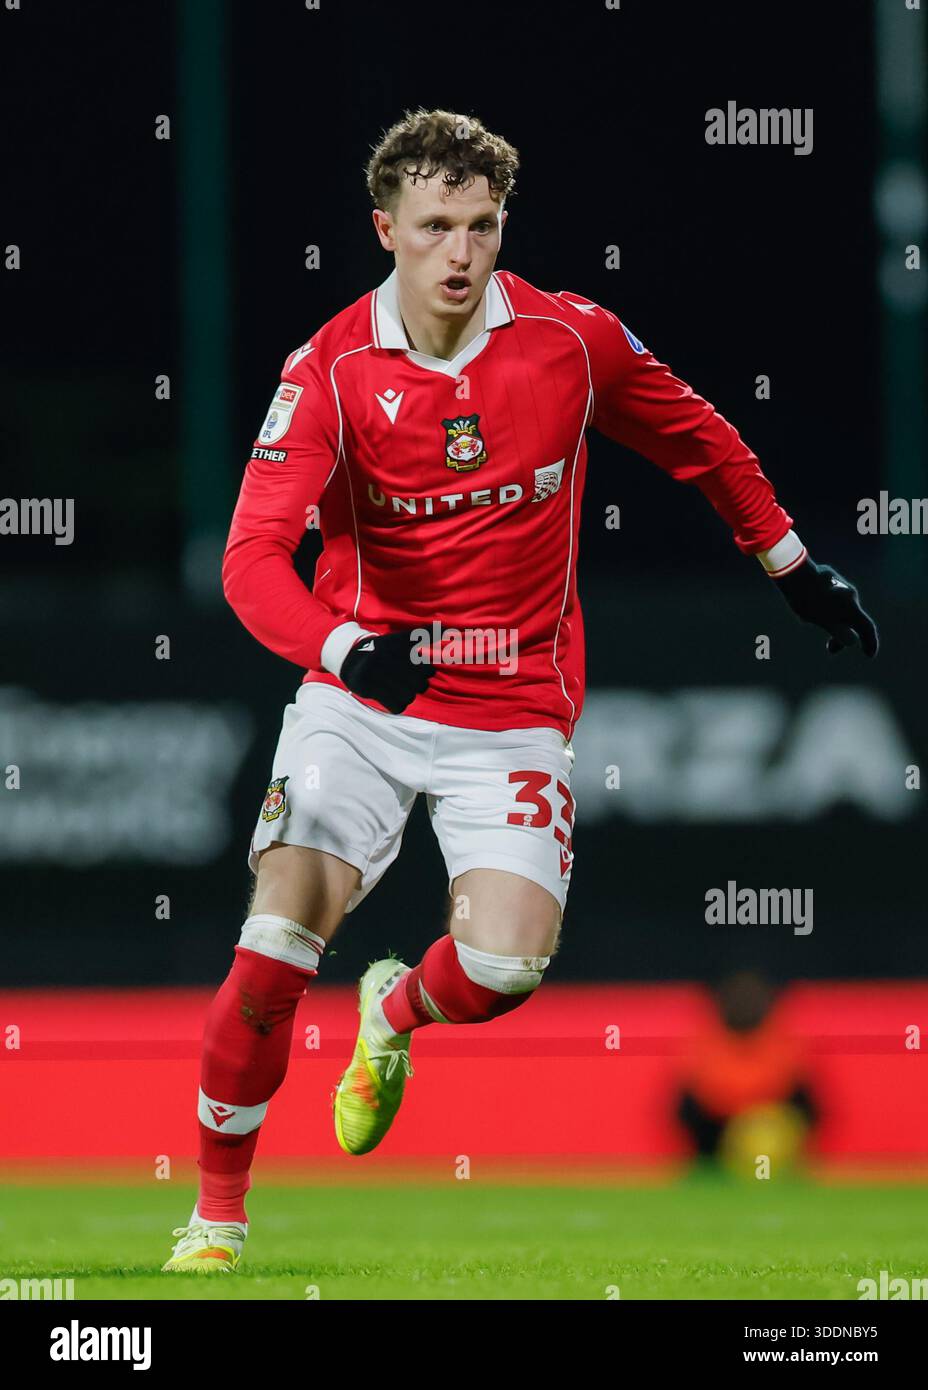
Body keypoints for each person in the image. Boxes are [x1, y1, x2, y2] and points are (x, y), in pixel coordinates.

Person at [163, 108, 876, 1272]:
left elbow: (701, 440)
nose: (460, 252)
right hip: (364, 702)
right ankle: (217, 1218)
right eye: (434, 226)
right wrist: (345, 650)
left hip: (512, 711)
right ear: (384, 228)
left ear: (503, 226)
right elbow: (249, 560)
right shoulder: (329, 370)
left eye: (482, 226)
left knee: (501, 969)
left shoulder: (569, 340)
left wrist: (791, 567)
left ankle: (392, 1012)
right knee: (276, 941)